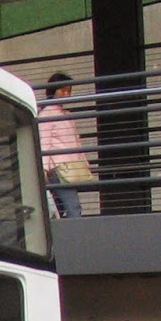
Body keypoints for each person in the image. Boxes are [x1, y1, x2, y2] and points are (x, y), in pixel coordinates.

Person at [39, 72, 90, 218]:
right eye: (63, 90)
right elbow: (44, 142)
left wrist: (83, 161)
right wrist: (43, 168)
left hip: (68, 167)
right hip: (59, 168)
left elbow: (76, 141)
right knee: (73, 206)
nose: (66, 94)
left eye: (68, 90)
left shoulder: (65, 114)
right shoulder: (47, 114)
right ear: (53, 90)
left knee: (60, 207)